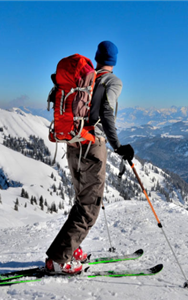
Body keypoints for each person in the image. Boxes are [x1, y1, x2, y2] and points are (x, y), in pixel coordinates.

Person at [45, 41, 134, 274]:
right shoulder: (112, 81)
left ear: (97, 57)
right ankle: (58, 260)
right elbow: (106, 113)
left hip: (73, 143)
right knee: (89, 208)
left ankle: (71, 249)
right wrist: (118, 145)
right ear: (114, 60)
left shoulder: (86, 78)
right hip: (92, 146)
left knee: (81, 201)